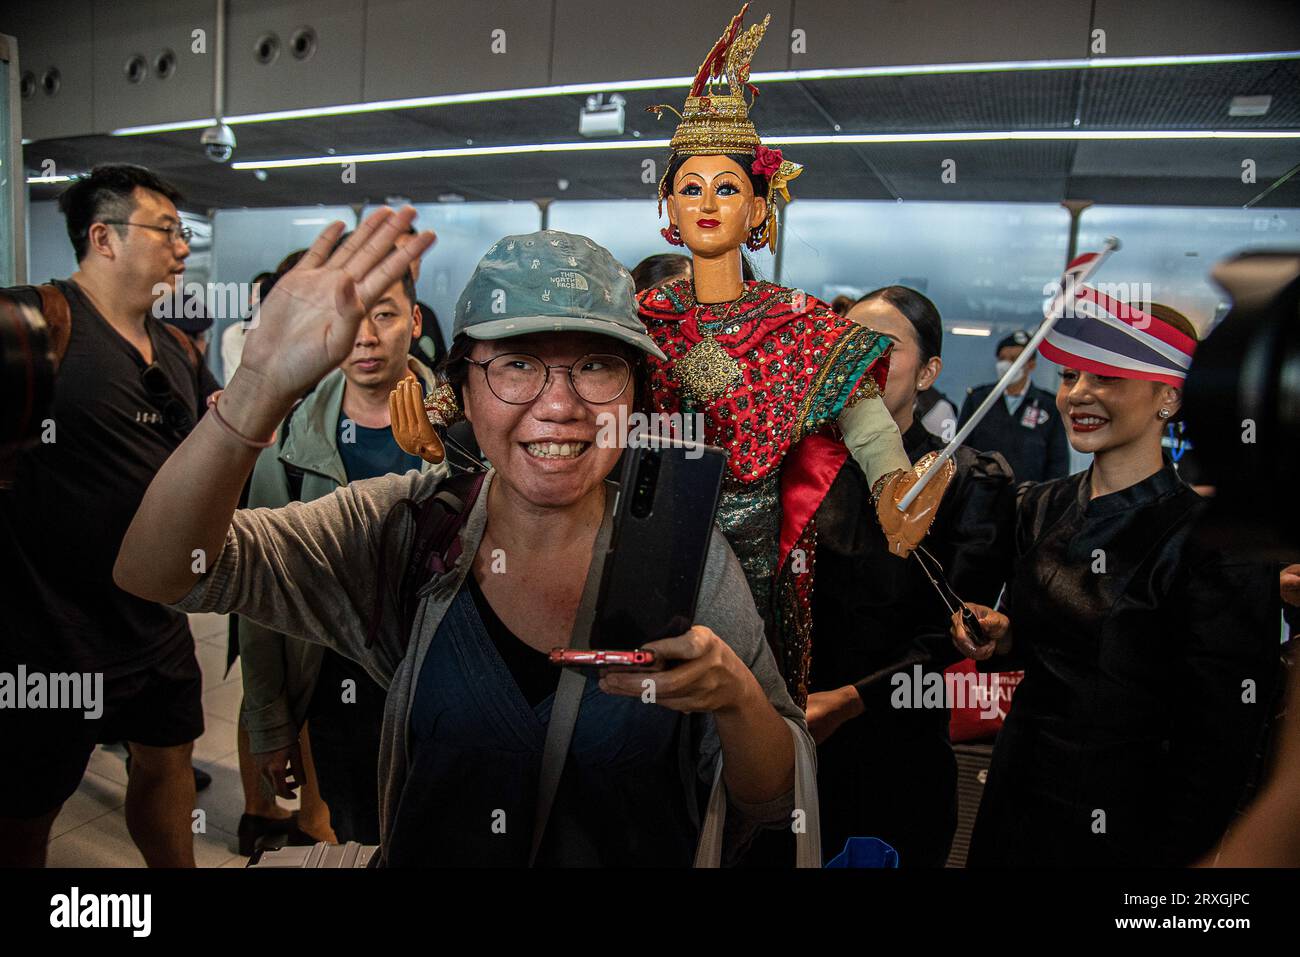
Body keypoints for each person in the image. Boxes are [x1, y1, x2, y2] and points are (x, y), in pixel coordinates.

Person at [114, 210, 810, 866]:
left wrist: (737, 698)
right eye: (516, 363)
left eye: (596, 366)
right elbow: (163, 572)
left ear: (633, 396)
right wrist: (257, 388)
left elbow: (775, 797)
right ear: (464, 392)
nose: (561, 404)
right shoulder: (403, 529)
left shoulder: (686, 561)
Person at [635, 5, 936, 707]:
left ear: (761, 208)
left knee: (749, 731)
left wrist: (894, 485)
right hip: (650, 551)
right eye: (691, 187)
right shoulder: (635, 322)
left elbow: (866, 424)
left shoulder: (799, 324)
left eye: (728, 187)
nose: (707, 203)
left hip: (760, 567)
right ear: (668, 206)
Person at [950, 298, 1283, 866]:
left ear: (1170, 396)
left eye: (1108, 375)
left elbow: (1222, 738)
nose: (1078, 393)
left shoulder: (1218, 544)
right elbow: (1040, 643)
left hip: (1131, 814)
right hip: (1017, 783)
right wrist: (999, 637)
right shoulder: (1038, 506)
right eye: (1070, 374)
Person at [0, 164, 207, 867]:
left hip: (154, 625)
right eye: (167, 232)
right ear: (103, 237)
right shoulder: (31, 323)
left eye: (186, 235)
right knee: (28, 810)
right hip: (48, 636)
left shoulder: (178, 350)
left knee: (167, 763)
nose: (183, 248)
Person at [237, 246, 441, 848]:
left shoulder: (467, 430)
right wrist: (271, 725)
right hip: (336, 684)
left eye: (384, 315)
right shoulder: (292, 440)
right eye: (350, 319)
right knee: (360, 829)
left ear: (416, 321)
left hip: (439, 675)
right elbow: (260, 593)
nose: (366, 338)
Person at [809, 286, 1015, 865]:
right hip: (790, 733)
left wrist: (850, 700)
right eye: (847, 342)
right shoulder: (799, 466)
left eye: (886, 346)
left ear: (929, 372)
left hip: (897, 743)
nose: (863, 357)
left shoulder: (971, 481)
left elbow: (956, 630)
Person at [958, 329, 1070, 482]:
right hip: (981, 496)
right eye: (1002, 358)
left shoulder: (1049, 406)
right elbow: (961, 452)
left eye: (1014, 359)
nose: (1006, 364)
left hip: (1028, 499)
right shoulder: (979, 400)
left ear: (1031, 365)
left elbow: (1058, 465)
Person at [220, 271, 272, 386]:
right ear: (250, 300)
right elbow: (240, 381)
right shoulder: (235, 334)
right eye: (260, 295)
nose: (265, 302)